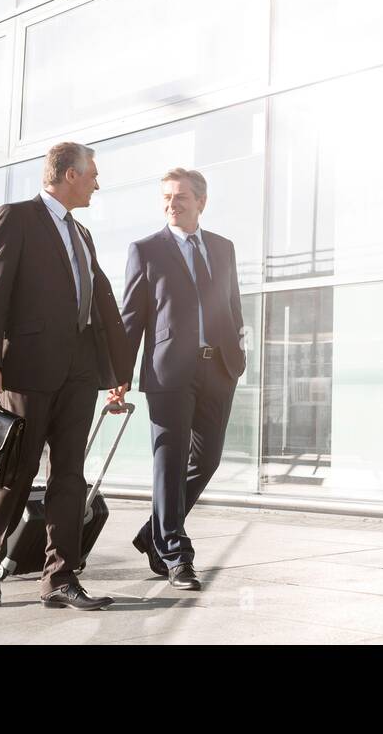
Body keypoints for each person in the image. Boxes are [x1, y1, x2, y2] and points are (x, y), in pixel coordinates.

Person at [0, 142, 131, 610]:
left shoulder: (83, 233)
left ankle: (60, 577)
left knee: (70, 476)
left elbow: (102, 304)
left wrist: (117, 370)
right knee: (16, 472)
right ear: (69, 174)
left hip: (80, 369)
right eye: (93, 174)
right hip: (28, 366)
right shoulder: (16, 217)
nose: (98, 183)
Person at [116, 167, 246, 590]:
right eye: (167, 198)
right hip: (168, 371)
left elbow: (233, 306)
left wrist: (237, 357)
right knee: (169, 463)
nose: (172, 204)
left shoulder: (224, 248)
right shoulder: (146, 250)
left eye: (181, 198)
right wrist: (119, 374)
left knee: (206, 461)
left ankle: (152, 533)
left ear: (201, 202)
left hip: (218, 368)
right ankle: (175, 553)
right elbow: (131, 318)